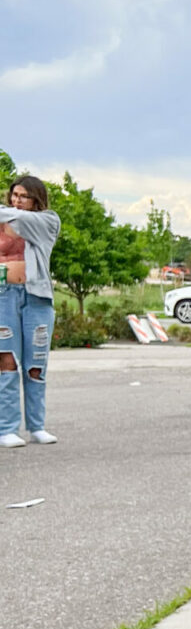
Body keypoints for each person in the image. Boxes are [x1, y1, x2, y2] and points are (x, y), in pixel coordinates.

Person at [0, 175, 62, 448]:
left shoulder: (46, 220)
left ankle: (37, 426)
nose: (17, 200)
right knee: (7, 362)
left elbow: (23, 220)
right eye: (14, 195)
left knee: (36, 366)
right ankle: (7, 428)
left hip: (36, 298)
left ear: (36, 199)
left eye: (24, 196)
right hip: (4, 297)